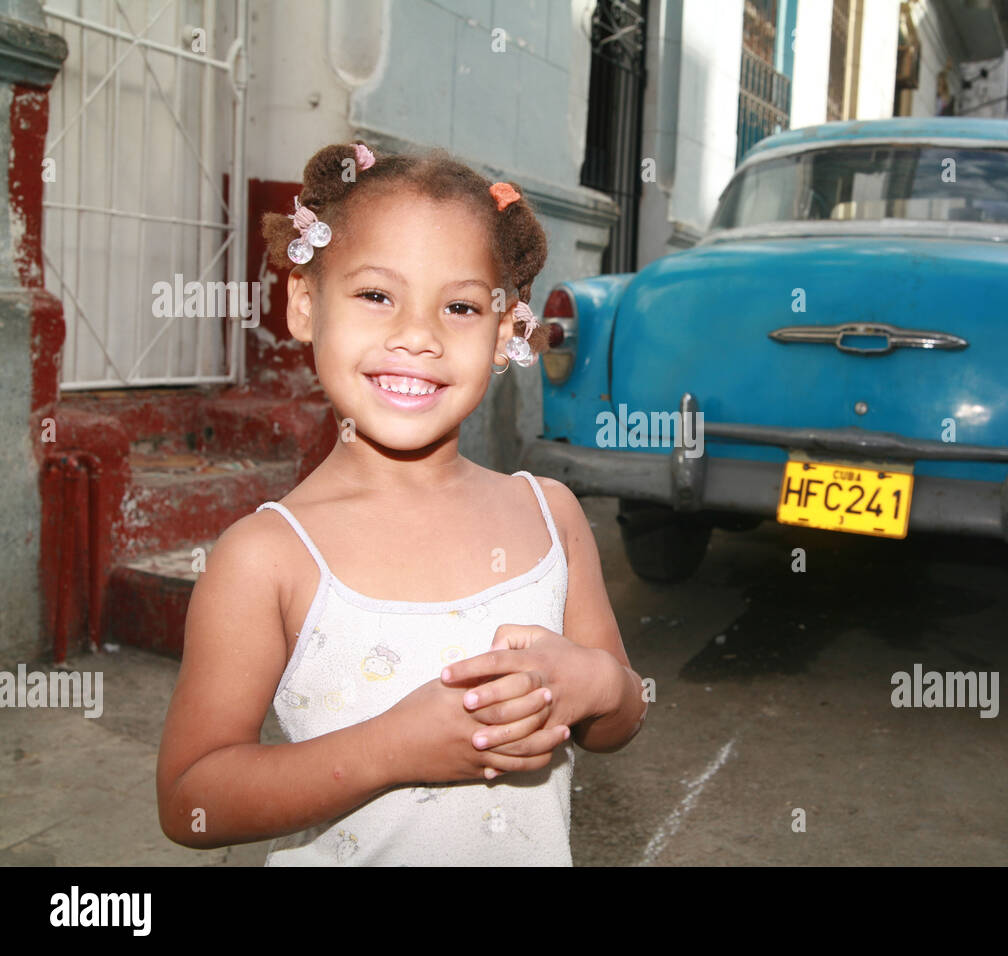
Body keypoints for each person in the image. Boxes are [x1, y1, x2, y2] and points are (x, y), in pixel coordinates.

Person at [155, 142, 646, 865]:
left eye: (459, 306)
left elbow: (618, 722)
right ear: (303, 305)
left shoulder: (551, 516)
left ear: (507, 332)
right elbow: (191, 800)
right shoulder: (268, 559)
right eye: (377, 295)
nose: (417, 336)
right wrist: (392, 750)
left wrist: (598, 685)